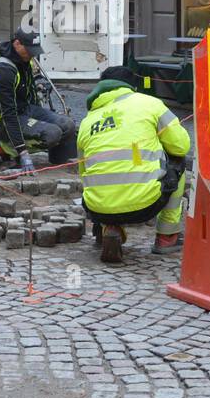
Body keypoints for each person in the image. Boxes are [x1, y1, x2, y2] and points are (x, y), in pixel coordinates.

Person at [78, 66, 191, 263]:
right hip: (145, 204)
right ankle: (167, 236)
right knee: (178, 163)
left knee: (97, 175)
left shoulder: (87, 121)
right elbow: (181, 147)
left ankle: (109, 227)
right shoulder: (150, 103)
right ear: (131, 86)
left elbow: (83, 172)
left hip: (97, 207)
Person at [0, 26, 77, 171]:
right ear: (17, 43)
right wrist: (23, 152)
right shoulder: (4, 70)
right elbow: (8, 115)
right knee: (52, 133)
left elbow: (30, 93)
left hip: (25, 109)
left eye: (34, 51)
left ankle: (19, 145)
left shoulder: (25, 59)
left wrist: (41, 118)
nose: (32, 55)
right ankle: (2, 148)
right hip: (1, 121)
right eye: (29, 50)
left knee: (68, 125)